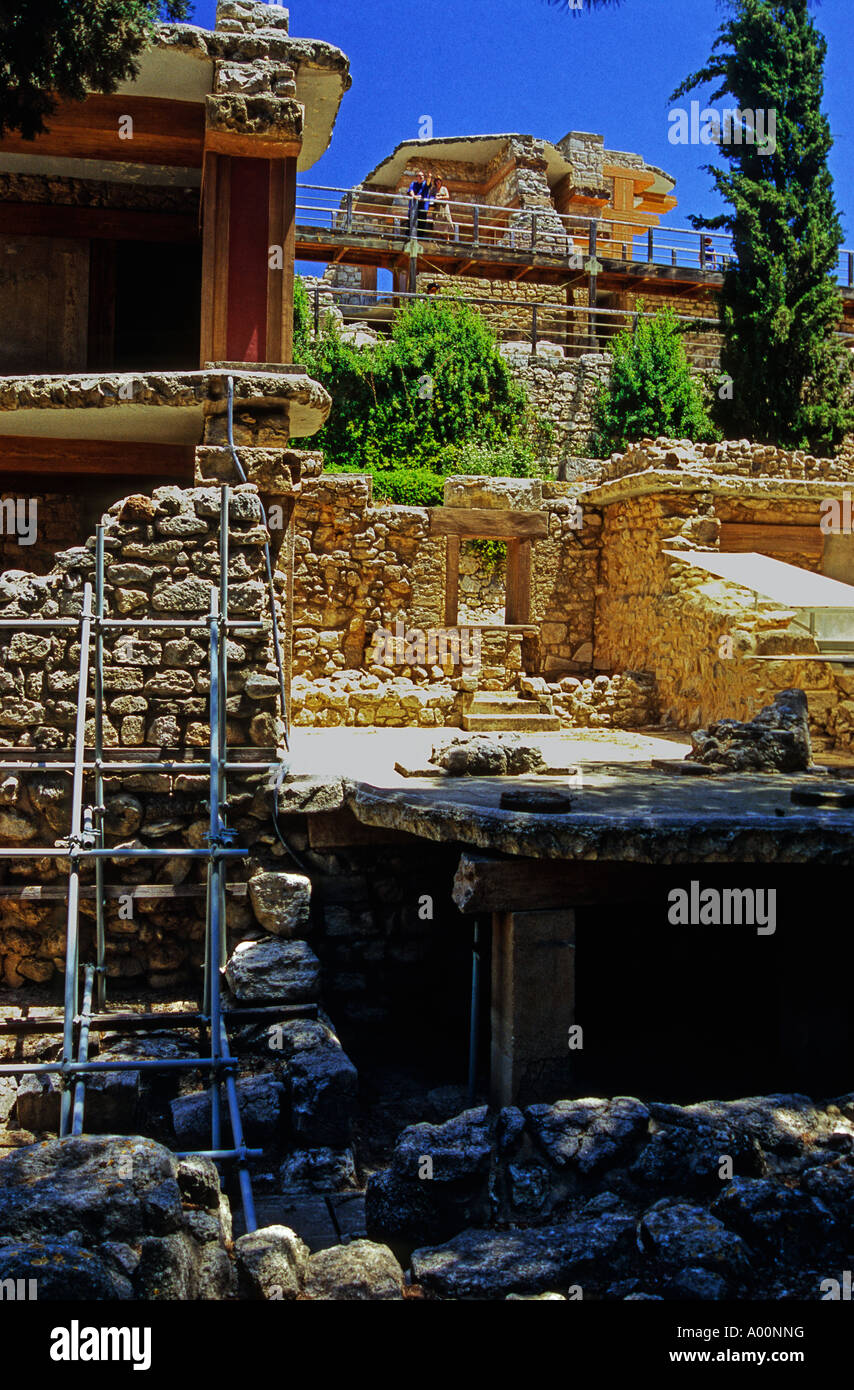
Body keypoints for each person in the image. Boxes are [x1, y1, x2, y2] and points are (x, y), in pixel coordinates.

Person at [407, 169, 431, 238]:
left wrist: (429, 177)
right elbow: (411, 191)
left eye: (422, 175)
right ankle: (409, 237)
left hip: (422, 207)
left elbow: (428, 183)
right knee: (411, 222)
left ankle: (420, 238)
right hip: (413, 207)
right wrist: (414, 196)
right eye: (419, 176)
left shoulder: (425, 184)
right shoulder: (413, 184)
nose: (421, 177)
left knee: (421, 223)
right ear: (417, 177)